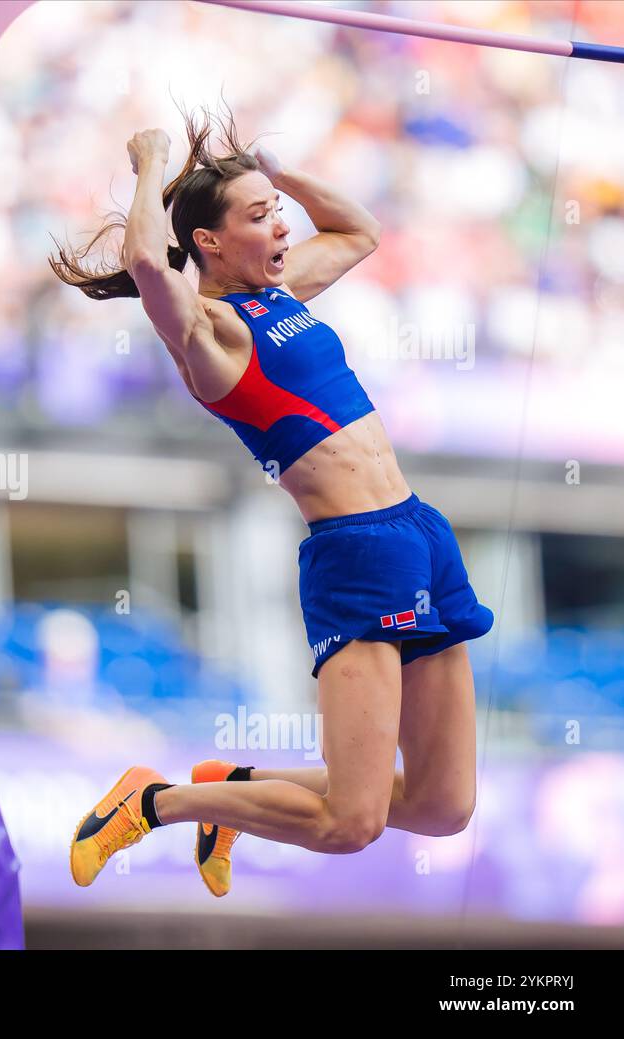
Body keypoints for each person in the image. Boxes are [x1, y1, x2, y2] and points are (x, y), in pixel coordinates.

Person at [49, 104, 494, 895]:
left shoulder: (281, 294)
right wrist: (152, 162)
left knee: (443, 805)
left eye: (278, 212)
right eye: (261, 216)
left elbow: (359, 232)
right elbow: (152, 266)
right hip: (355, 554)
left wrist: (276, 172)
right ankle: (156, 800)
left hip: (422, 532)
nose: (282, 225)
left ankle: (237, 784)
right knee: (349, 824)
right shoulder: (210, 333)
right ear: (210, 243)